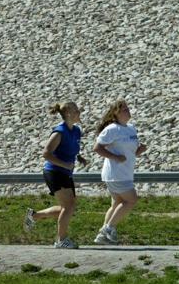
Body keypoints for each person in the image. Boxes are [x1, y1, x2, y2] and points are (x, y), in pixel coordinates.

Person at [23, 101, 88, 249]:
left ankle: (33, 216)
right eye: (76, 110)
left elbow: (71, 149)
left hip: (65, 172)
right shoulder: (59, 131)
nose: (79, 112)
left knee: (68, 208)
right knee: (69, 206)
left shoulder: (76, 131)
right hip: (54, 171)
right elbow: (46, 153)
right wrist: (65, 164)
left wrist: (79, 158)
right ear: (68, 114)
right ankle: (61, 240)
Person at [93, 99, 148, 245]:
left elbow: (130, 152)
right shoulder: (112, 129)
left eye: (127, 108)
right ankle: (108, 228)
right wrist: (115, 157)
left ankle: (102, 237)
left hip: (125, 172)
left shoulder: (131, 128)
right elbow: (97, 148)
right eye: (124, 109)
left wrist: (139, 151)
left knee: (117, 203)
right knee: (131, 200)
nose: (127, 111)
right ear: (115, 113)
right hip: (116, 173)